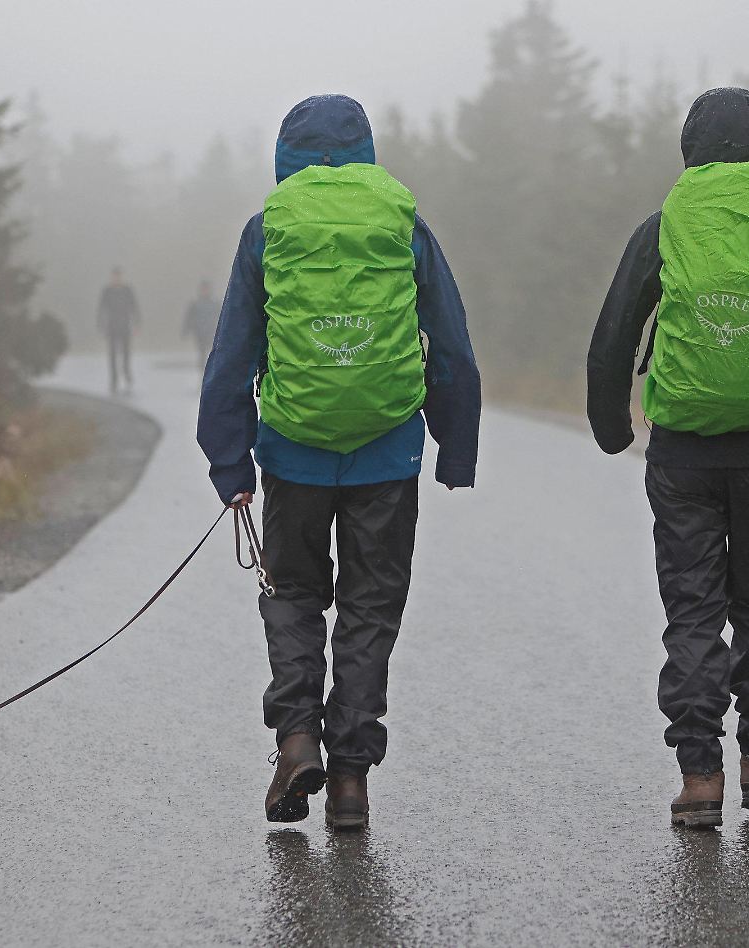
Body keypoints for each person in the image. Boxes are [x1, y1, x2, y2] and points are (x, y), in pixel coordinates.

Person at [198, 94, 481, 831]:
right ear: (365, 150)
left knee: (293, 594)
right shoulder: (402, 222)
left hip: (292, 453)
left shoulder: (268, 228)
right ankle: (351, 778)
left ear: (286, 155)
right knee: (370, 606)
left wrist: (230, 463)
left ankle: (297, 739)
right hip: (387, 452)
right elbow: (449, 342)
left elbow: (233, 352)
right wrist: (455, 447)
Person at [585, 87, 749, 829]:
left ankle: (700, 774)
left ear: (691, 147)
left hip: (682, 454)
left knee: (693, 611)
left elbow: (613, 334)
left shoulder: (667, 223)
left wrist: (612, 428)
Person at [98, 267, 140, 394]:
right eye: (114, 276)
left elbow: (134, 307)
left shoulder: (127, 290)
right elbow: (101, 309)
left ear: (121, 277)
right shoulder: (107, 291)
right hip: (111, 327)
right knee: (112, 354)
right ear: (112, 277)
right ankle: (114, 379)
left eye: (118, 276)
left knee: (126, 353)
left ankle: (126, 373)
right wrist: (101, 326)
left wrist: (137, 324)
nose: (116, 279)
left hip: (125, 326)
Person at [182, 280, 220, 370]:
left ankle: (213, 365)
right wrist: (185, 330)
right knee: (201, 349)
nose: (205, 291)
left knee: (212, 348)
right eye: (203, 289)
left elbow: (220, 316)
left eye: (206, 289)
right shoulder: (195, 304)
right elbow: (189, 317)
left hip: (211, 330)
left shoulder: (214, 304)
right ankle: (202, 366)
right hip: (199, 331)